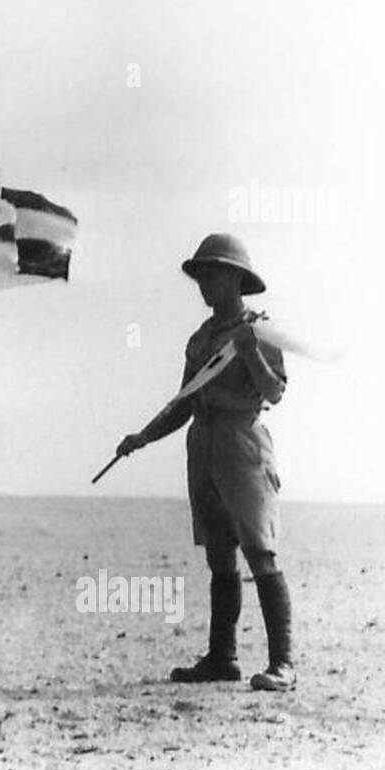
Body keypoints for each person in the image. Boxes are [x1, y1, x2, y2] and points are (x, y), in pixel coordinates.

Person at [116, 233, 294, 691]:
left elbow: (274, 391)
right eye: (200, 275)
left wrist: (250, 349)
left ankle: (283, 663)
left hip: (242, 445)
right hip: (204, 446)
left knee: (259, 551)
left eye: (211, 274)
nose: (203, 284)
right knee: (219, 557)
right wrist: (143, 437)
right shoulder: (199, 339)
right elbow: (183, 402)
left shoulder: (260, 329)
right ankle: (223, 657)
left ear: (235, 278)